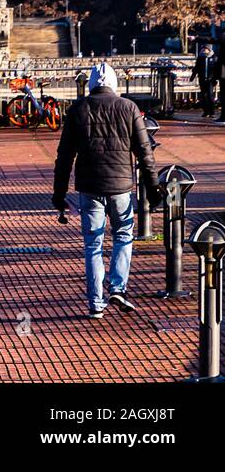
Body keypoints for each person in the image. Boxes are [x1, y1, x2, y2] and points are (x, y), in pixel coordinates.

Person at [52, 62, 163, 318]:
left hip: (89, 185)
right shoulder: (128, 108)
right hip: (121, 185)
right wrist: (153, 185)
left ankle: (95, 303)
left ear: (91, 84)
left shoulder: (78, 110)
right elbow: (144, 152)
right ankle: (118, 287)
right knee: (123, 235)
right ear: (113, 83)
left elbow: (64, 156)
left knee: (93, 243)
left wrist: (59, 194)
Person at [192, 41, 217, 117]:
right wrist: (193, 76)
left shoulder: (214, 57)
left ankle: (212, 112)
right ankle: (205, 111)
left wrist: (215, 78)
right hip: (202, 79)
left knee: (210, 96)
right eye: (203, 49)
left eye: (205, 49)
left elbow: (216, 69)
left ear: (209, 49)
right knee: (203, 96)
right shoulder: (200, 57)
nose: (203, 50)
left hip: (210, 79)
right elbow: (196, 68)